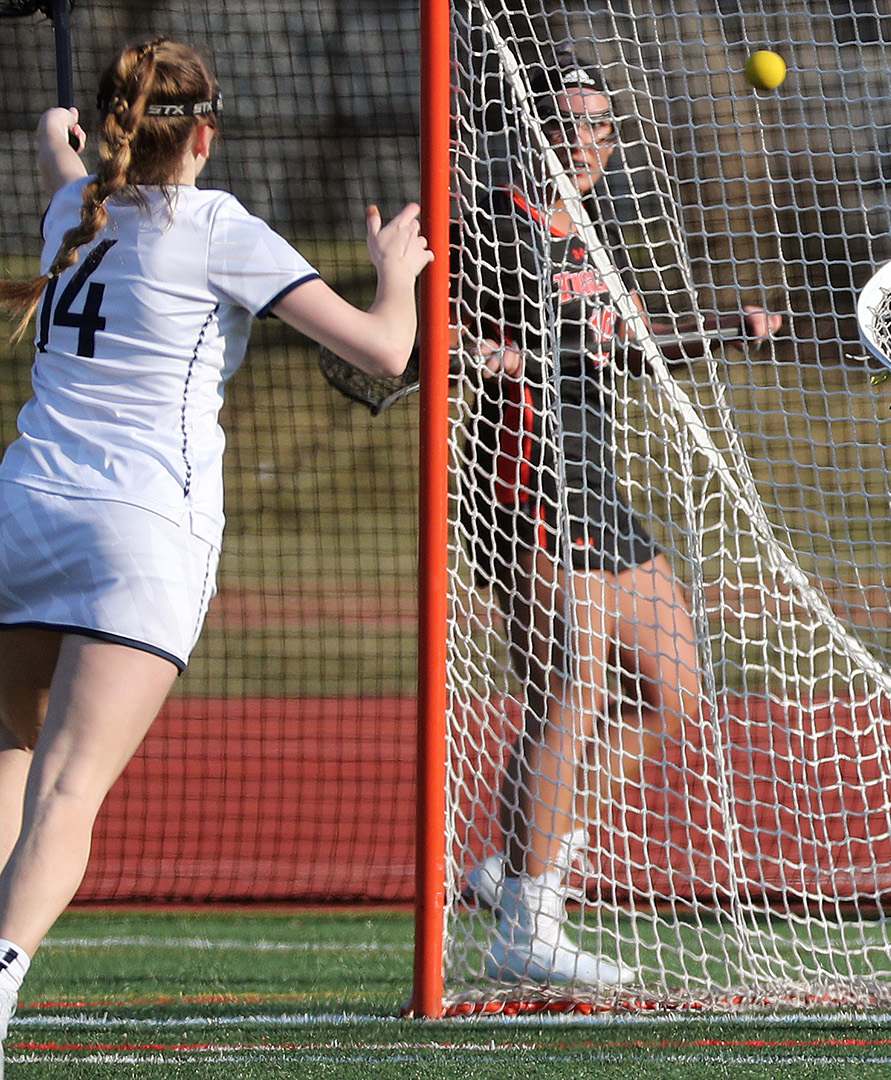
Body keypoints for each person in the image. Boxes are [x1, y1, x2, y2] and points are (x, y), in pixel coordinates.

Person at [0, 38, 431, 1055]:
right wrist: (395, 273)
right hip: (140, 534)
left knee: (13, 751)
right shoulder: (220, 227)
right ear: (205, 133)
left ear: (112, 129)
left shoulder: (75, 209)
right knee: (67, 788)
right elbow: (385, 350)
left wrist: (54, 143)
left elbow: (78, 172)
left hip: (23, 512)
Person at [453, 52, 781, 987]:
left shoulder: (588, 233)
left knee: (671, 688)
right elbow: (434, 332)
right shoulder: (496, 225)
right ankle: (529, 919)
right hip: (527, 477)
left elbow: (618, 349)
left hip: (594, 476)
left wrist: (721, 330)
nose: (588, 141)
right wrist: (483, 352)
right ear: (531, 130)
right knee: (570, 687)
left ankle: (522, 861)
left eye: (602, 125)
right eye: (570, 123)